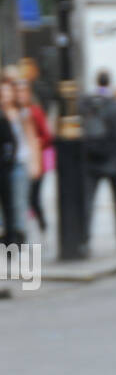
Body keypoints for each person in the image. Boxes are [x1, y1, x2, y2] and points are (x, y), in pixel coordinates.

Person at [81, 70, 116, 251]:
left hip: (91, 160)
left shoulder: (86, 103)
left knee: (88, 202)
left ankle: (84, 240)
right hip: (113, 160)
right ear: (109, 82)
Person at [15, 75, 52, 234]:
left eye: (24, 91)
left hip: (35, 162)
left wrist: (37, 142)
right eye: (19, 91)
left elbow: (47, 136)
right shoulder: (13, 113)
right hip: (19, 162)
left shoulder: (35, 112)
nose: (21, 95)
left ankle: (43, 226)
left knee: (33, 199)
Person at [0, 74, 30, 247]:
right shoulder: (2, 113)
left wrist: (35, 163)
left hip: (18, 163)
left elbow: (27, 139)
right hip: (5, 165)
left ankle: (18, 239)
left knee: (17, 203)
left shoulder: (21, 112)